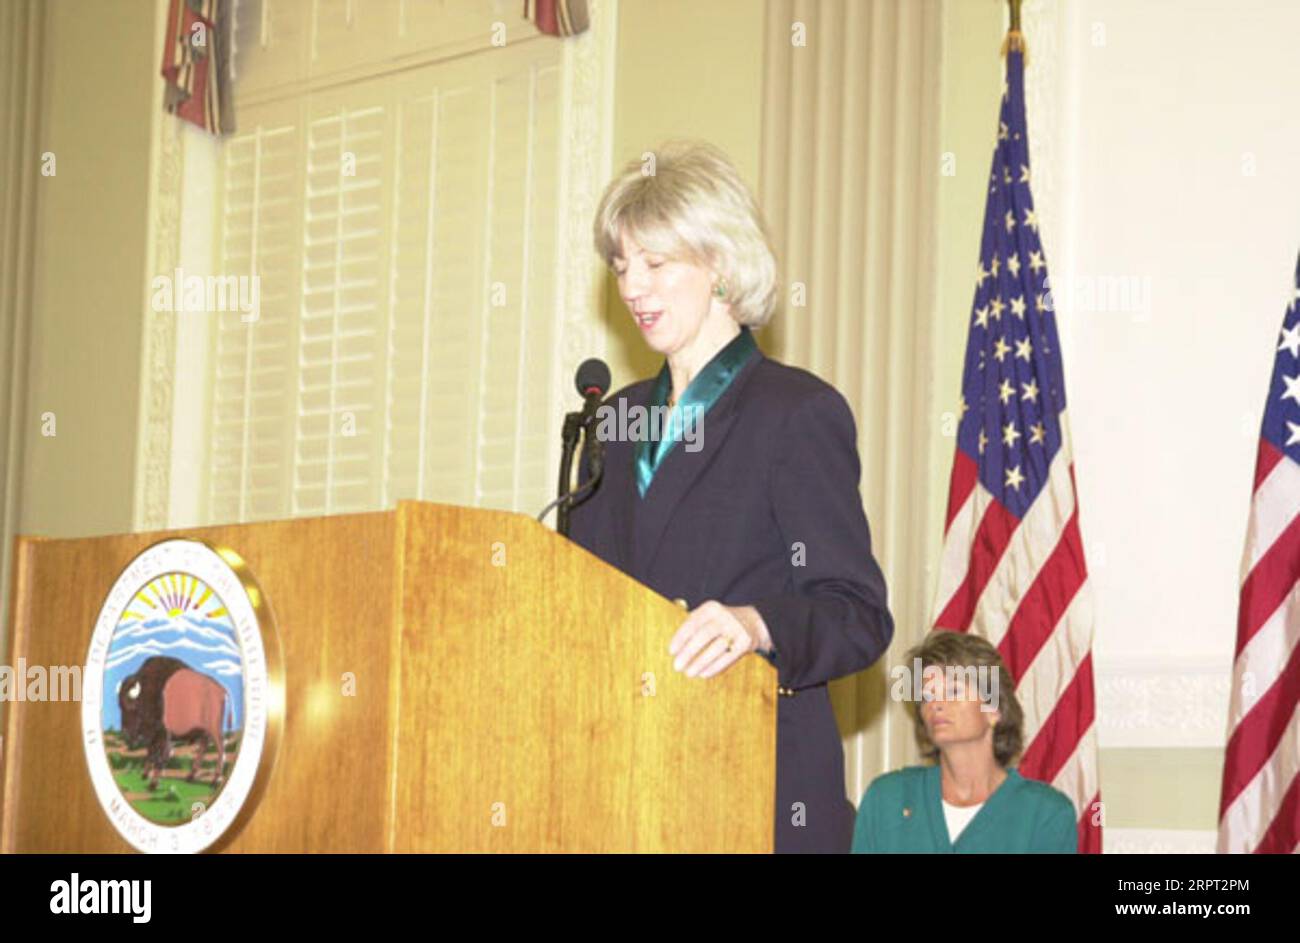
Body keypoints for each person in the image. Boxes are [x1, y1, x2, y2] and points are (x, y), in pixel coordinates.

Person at [568, 139, 893, 853]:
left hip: (758, 786)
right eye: (623, 266)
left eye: (655, 263)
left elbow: (859, 616)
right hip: (625, 783)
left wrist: (755, 623)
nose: (631, 287)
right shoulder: (615, 423)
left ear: (719, 266)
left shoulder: (795, 412)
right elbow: (572, 599)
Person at [852, 629, 1078, 853]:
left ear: (994, 709)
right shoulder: (887, 799)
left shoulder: (1045, 814)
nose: (936, 704)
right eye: (927, 696)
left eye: (952, 691)